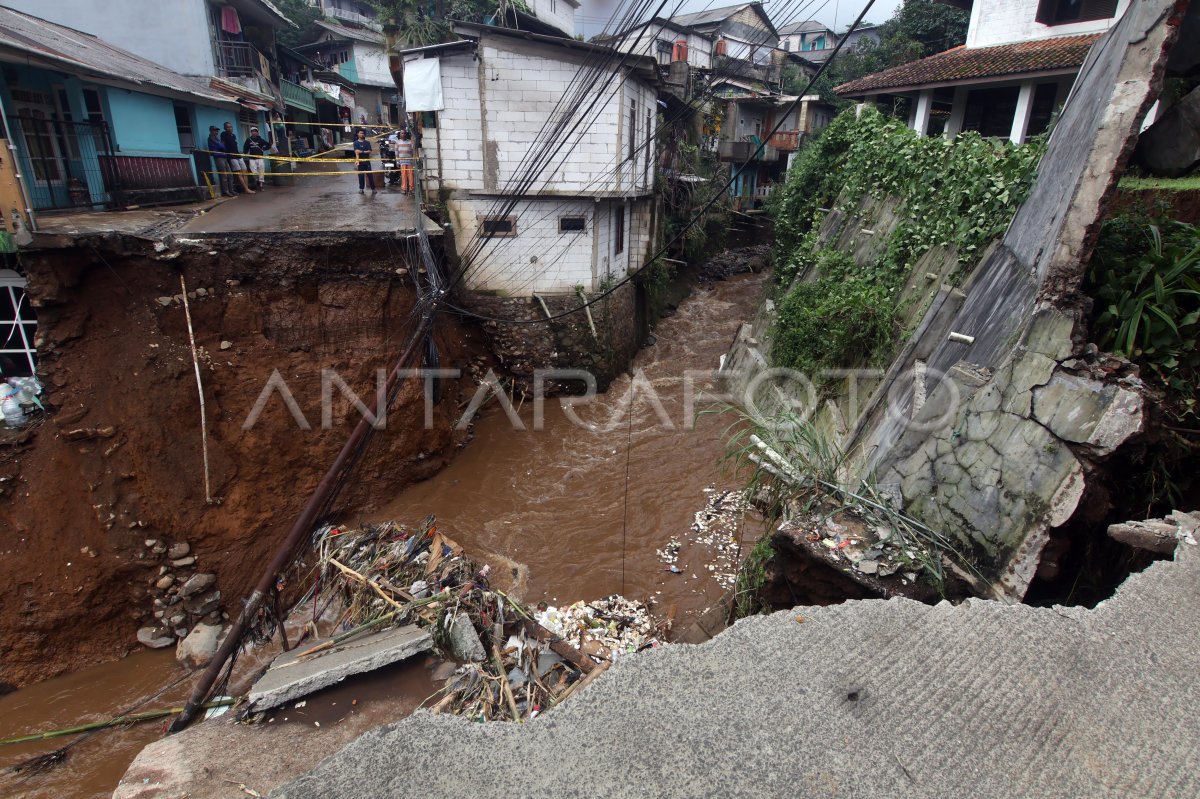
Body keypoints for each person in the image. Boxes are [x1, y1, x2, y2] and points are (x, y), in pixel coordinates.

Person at [220, 122, 255, 194]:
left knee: (245, 171)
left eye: (230, 127)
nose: (229, 128)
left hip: (238, 155)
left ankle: (247, 188)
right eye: (227, 127)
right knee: (239, 173)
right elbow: (223, 145)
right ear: (225, 128)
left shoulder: (233, 135)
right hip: (231, 156)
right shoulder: (223, 134)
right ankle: (246, 189)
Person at [205, 126, 234, 197]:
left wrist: (222, 146)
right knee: (224, 175)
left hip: (224, 156)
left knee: (230, 174)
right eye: (215, 130)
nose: (216, 132)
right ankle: (226, 191)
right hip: (218, 157)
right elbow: (221, 147)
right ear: (211, 131)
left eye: (217, 130)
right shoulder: (211, 138)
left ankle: (231, 190)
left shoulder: (217, 139)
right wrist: (222, 146)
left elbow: (223, 147)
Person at [243, 125, 272, 190]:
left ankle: (261, 184)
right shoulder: (248, 140)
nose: (254, 132)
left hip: (260, 157)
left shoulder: (260, 139)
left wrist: (264, 148)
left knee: (261, 170)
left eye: (255, 131)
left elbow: (269, 145)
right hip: (252, 158)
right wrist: (244, 153)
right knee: (253, 171)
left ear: (257, 132)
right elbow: (245, 148)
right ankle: (256, 182)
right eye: (252, 131)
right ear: (251, 132)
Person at [352, 128, 376, 194]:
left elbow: (369, 151)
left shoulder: (367, 142)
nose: (362, 134)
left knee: (370, 176)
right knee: (361, 176)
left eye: (363, 133)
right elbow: (356, 152)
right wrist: (357, 161)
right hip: (360, 162)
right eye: (360, 133)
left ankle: (373, 188)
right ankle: (361, 189)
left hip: (367, 162)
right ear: (357, 134)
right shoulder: (355, 143)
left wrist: (362, 152)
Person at [395, 129, 415, 195]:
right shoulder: (397, 142)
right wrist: (397, 162)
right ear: (400, 135)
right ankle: (404, 189)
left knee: (410, 175)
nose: (403, 134)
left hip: (409, 161)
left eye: (404, 133)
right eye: (402, 133)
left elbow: (413, 152)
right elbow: (396, 153)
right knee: (403, 175)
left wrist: (413, 160)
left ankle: (411, 189)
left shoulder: (410, 142)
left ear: (406, 134)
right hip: (402, 162)